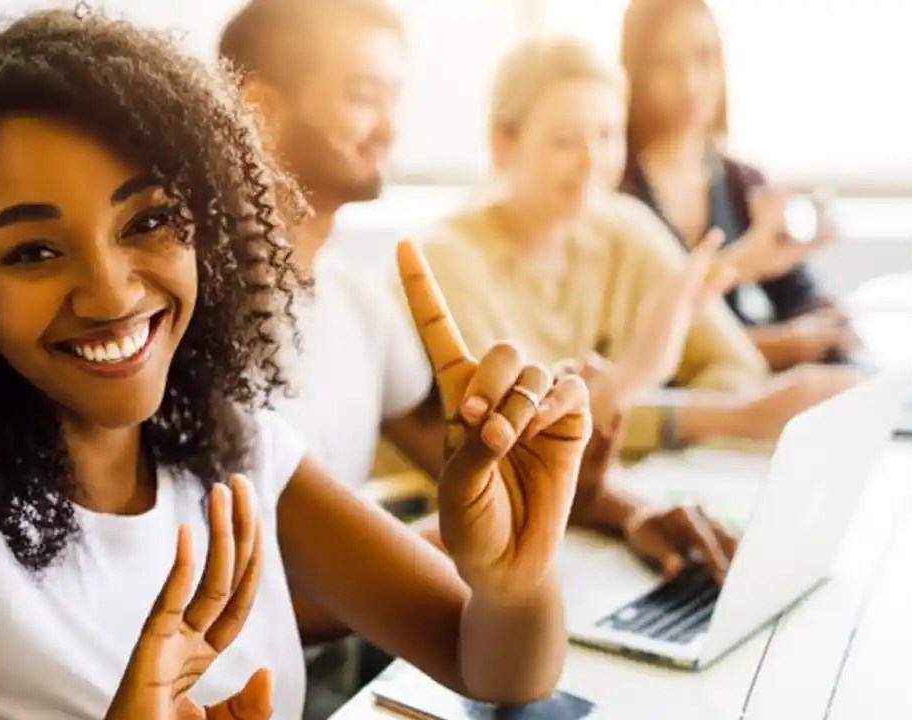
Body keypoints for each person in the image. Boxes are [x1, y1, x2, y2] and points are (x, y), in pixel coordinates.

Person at [0, 10, 593, 719]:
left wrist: (513, 581)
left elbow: (495, 666)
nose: (108, 293)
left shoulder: (234, 448)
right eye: (33, 251)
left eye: (147, 222)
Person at [218, 0, 738, 601]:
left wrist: (626, 511)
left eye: (394, 98)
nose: (390, 129)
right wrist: (498, 542)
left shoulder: (356, 301)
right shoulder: (196, 318)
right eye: (363, 97)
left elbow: (484, 469)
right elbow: (265, 594)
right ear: (259, 111)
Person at [419, 37, 859, 457]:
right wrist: (641, 381)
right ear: (502, 145)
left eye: (608, 135)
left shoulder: (626, 227)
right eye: (564, 141)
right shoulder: (447, 259)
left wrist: (631, 412)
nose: (592, 160)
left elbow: (737, 368)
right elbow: (517, 442)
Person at [618, 0, 857, 371]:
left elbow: (798, 293)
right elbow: (627, 338)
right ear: (635, 69)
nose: (690, 82)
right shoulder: (616, 192)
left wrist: (826, 321)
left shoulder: (742, 183)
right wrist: (773, 343)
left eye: (704, 57)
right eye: (667, 63)